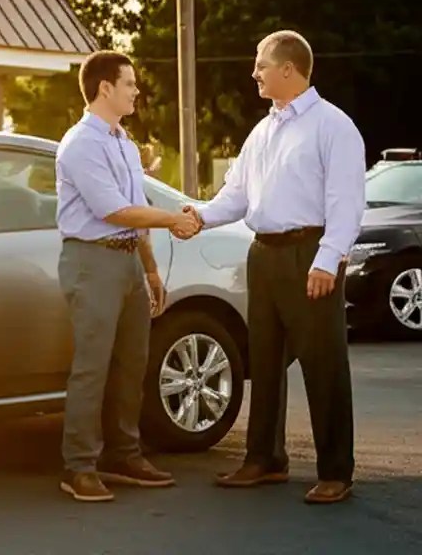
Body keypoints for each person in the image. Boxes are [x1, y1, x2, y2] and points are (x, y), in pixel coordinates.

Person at [180, 30, 364, 505]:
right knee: (264, 361)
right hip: (262, 255)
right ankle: (264, 460)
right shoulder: (263, 130)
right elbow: (236, 197)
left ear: (288, 68)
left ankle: (336, 472)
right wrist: (197, 217)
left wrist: (328, 259)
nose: (254, 72)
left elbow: (347, 202)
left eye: (261, 64)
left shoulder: (333, 126)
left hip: (311, 256)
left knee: (323, 365)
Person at [54, 50, 199, 503]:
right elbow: (112, 210)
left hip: (128, 262)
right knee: (92, 368)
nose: (137, 91)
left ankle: (124, 454)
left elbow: (133, 213)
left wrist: (151, 269)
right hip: (91, 260)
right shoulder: (80, 143)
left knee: (132, 364)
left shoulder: (122, 142)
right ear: (105, 88)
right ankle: (78, 466)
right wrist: (173, 218)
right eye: (130, 84)